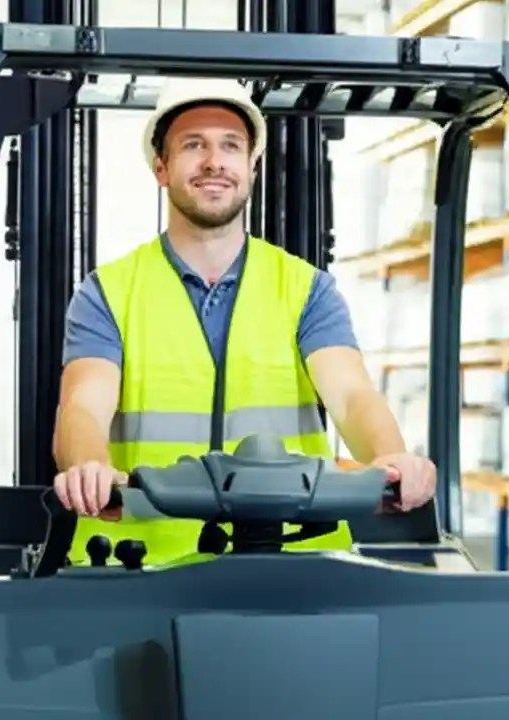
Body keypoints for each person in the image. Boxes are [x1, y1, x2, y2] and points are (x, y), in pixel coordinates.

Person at [50, 76, 437, 565]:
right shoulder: (107, 292)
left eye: (230, 146)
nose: (214, 161)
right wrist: (89, 468)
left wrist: (390, 456)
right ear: (162, 168)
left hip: (293, 564)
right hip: (144, 568)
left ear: (251, 167)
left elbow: (353, 395)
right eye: (194, 145)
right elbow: (82, 407)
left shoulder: (305, 289)